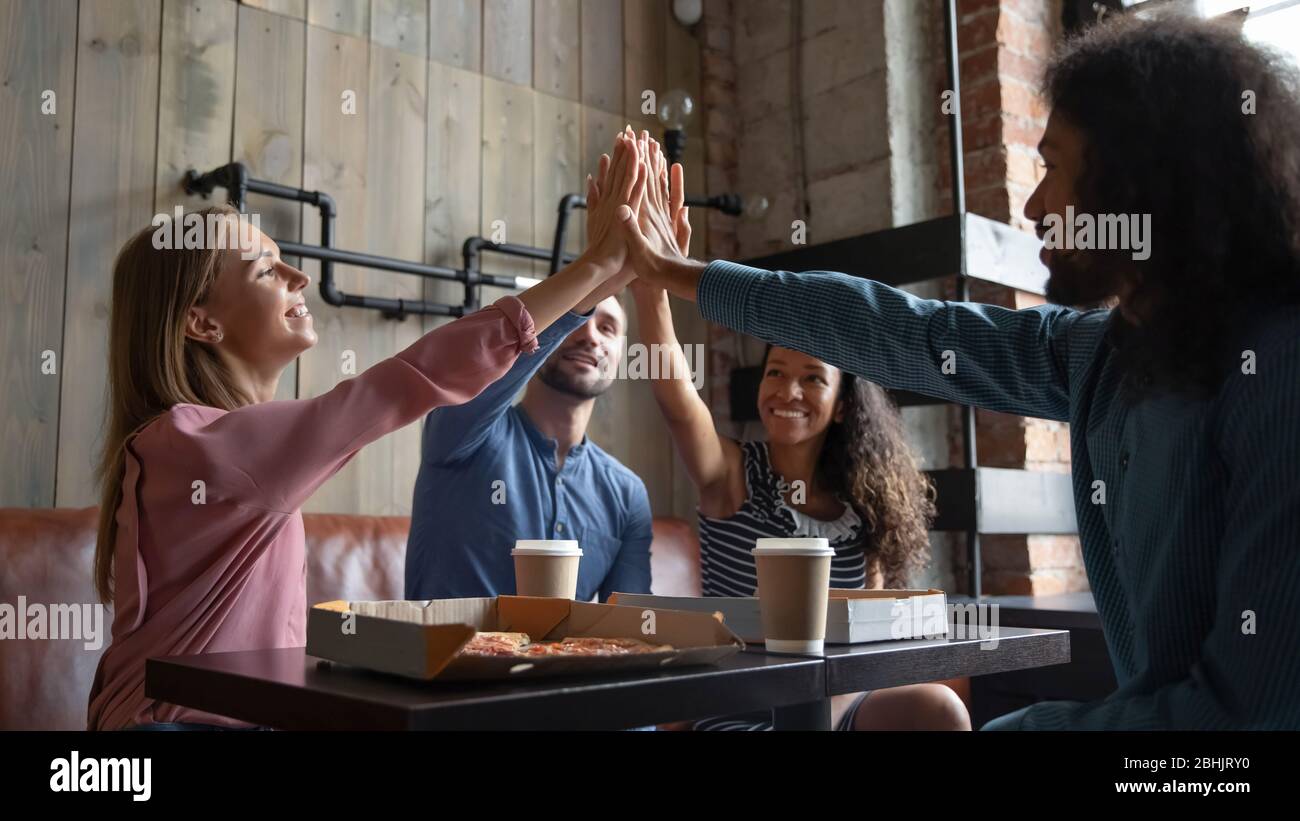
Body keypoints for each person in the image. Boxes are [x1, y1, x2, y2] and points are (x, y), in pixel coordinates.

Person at [616, 16, 1300, 730]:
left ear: (1137, 175)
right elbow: (907, 331)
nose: (1035, 206)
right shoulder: (1100, 352)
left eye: (1055, 165)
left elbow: (1243, 722)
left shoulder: (1278, 369)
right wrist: (679, 274)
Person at [88, 132, 648, 730]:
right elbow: (412, 378)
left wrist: (603, 275)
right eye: (265, 270)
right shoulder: (199, 443)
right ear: (200, 320)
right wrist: (596, 267)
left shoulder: (208, 444)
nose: (298, 276)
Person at [629, 140, 968, 731]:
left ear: (840, 406)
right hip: (742, 706)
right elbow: (676, 398)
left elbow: (869, 646)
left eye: (813, 379)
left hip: (833, 705)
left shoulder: (864, 506)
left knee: (938, 709)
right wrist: (651, 282)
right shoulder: (732, 477)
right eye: (776, 373)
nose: (788, 392)